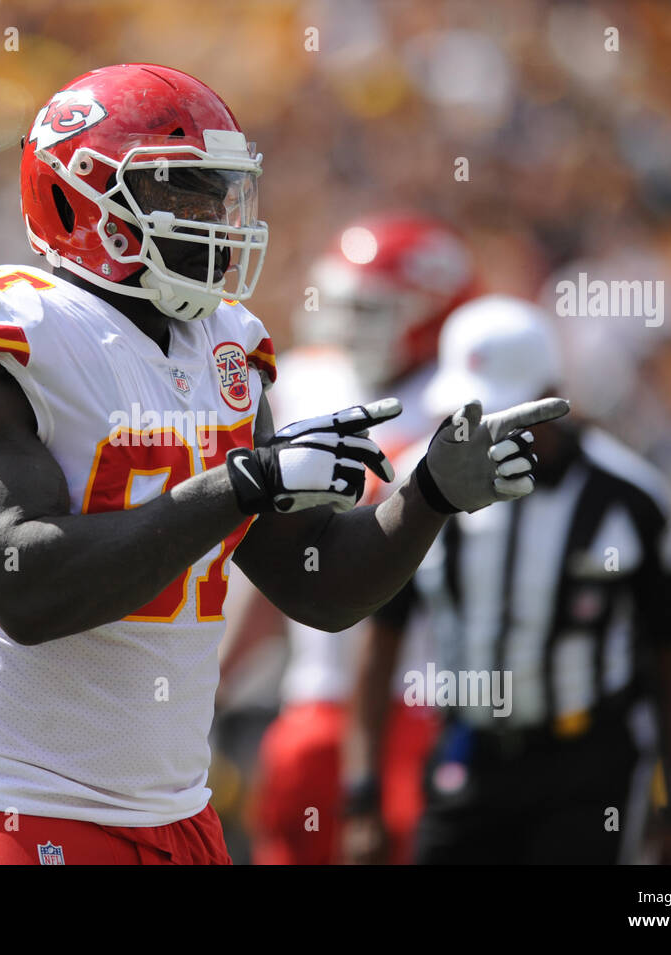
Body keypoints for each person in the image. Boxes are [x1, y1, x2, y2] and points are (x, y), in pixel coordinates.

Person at [0, 63, 568, 866]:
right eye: (183, 191)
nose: (212, 215)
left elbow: (319, 582)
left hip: (178, 810)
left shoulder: (226, 347)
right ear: (78, 196)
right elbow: (23, 585)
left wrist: (427, 496)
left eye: (220, 191)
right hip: (17, 802)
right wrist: (239, 483)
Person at [347, 296, 671, 864]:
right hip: (467, 751)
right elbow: (379, 639)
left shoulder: (628, 498)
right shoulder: (420, 489)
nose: (488, 432)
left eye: (505, 412)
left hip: (586, 765)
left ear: (549, 399)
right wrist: (362, 792)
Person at [219, 214, 478, 864]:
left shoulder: (462, 404)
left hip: (430, 698)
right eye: (348, 307)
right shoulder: (305, 384)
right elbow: (279, 556)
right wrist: (218, 679)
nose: (350, 326)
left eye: (373, 309)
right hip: (316, 692)